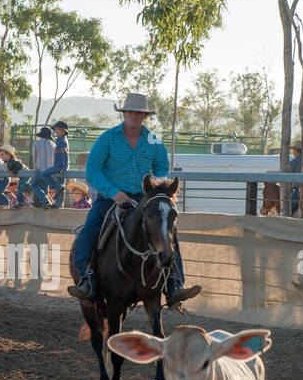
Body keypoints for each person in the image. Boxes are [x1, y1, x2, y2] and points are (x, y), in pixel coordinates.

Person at [67, 92, 202, 309]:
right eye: (131, 112)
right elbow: (92, 169)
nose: (134, 116)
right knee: (90, 229)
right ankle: (86, 280)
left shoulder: (153, 140)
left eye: (139, 113)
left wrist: (157, 187)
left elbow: (160, 166)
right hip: (109, 198)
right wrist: (113, 192)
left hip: (143, 197)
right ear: (124, 114)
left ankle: (174, 285)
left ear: (145, 116)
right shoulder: (108, 138)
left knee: (166, 232)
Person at [30, 126, 59, 208]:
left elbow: (35, 156)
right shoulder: (53, 144)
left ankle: (45, 200)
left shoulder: (37, 142)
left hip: (40, 168)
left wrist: (34, 167)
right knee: (45, 187)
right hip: (50, 170)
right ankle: (45, 203)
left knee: (34, 185)